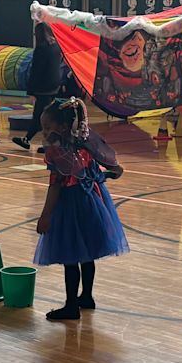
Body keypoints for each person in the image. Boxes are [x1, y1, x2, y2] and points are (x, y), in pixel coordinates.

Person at [33, 97, 128, 321]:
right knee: (87, 253)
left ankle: (71, 306)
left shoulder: (56, 152)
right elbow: (114, 165)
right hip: (93, 201)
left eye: (48, 127)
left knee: (71, 256)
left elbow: (55, 186)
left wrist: (45, 216)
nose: (44, 132)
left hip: (71, 204)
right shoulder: (86, 140)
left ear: (64, 126)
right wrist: (110, 171)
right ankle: (86, 296)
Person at [12, 23, 63, 153]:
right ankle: (28, 139)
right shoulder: (56, 46)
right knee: (45, 114)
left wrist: (31, 90)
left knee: (41, 116)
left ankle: (49, 144)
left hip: (43, 87)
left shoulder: (41, 49)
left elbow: (36, 71)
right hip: (55, 85)